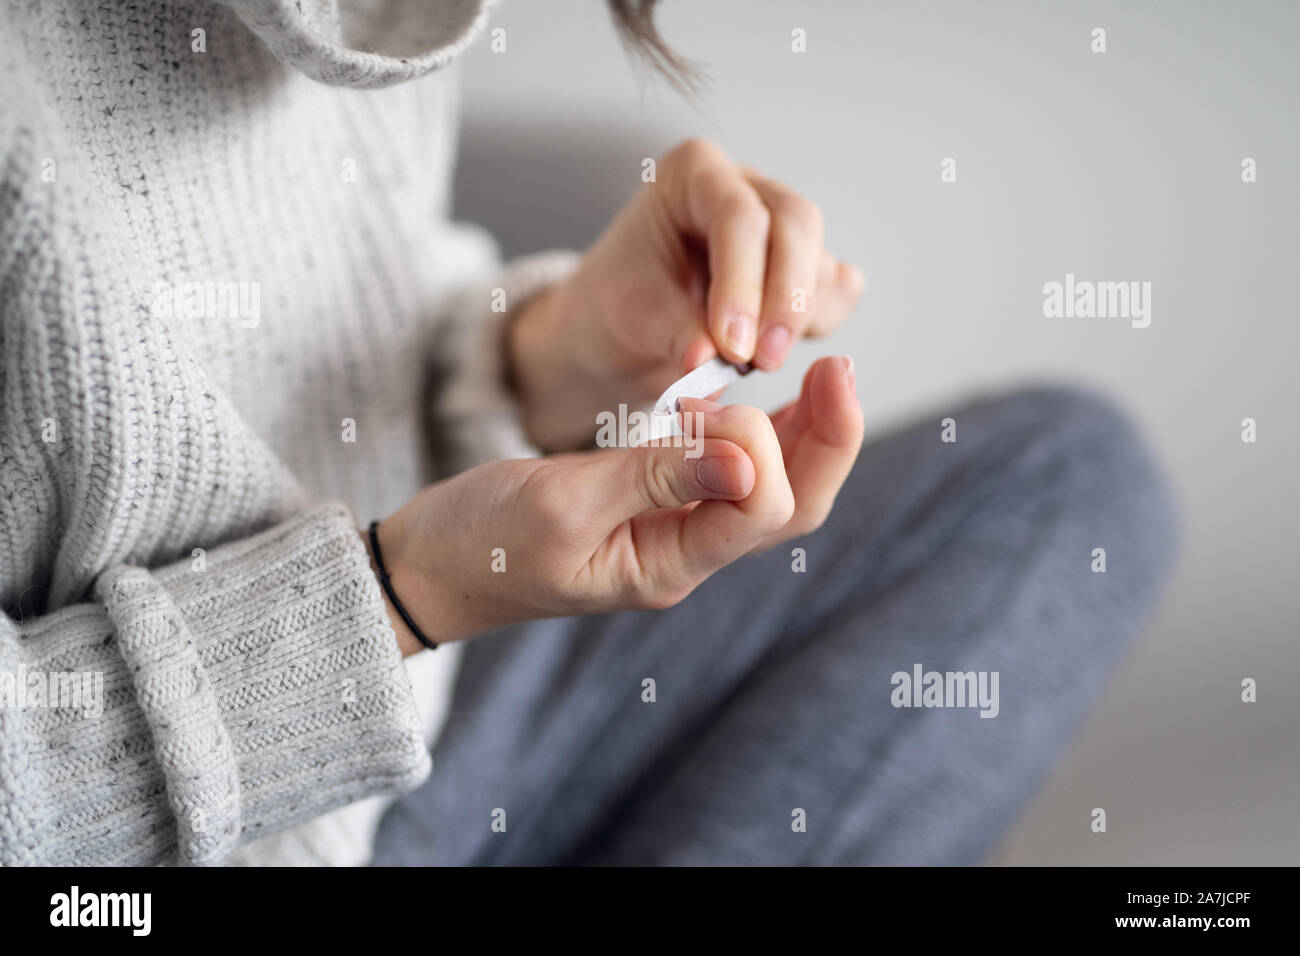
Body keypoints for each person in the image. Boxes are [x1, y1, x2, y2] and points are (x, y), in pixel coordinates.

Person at [0, 0, 1176, 867]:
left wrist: (557, 349)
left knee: (1067, 477)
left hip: (437, 700)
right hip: (183, 830)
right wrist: (398, 598)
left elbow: (351, 310)